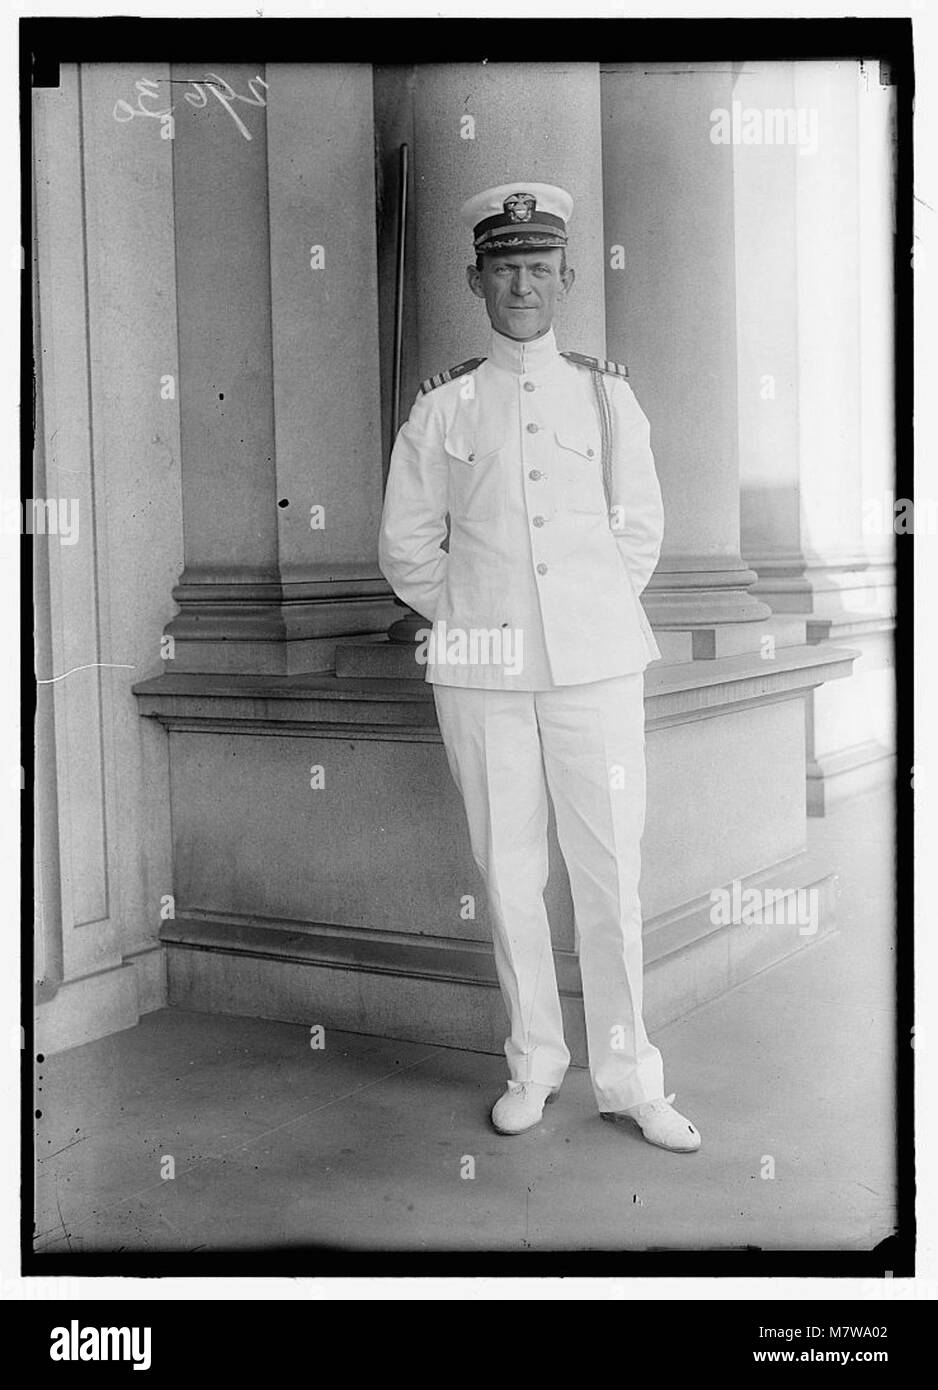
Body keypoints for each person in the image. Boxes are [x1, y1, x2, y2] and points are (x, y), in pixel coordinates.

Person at [378, 182, 700, 1152]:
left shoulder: (607, 394)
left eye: (537, 266)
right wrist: (477, 621)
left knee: (609, 874)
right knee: (508, 873)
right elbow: (405, 545)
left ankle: (627, 1078)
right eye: (502, 266)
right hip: (481, 675)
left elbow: (637, 528)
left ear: (564, 276)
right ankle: (532, 1064)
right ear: (474, 278)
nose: (521, 283)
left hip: (595, 669)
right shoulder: (443, 408)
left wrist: (584, 616)